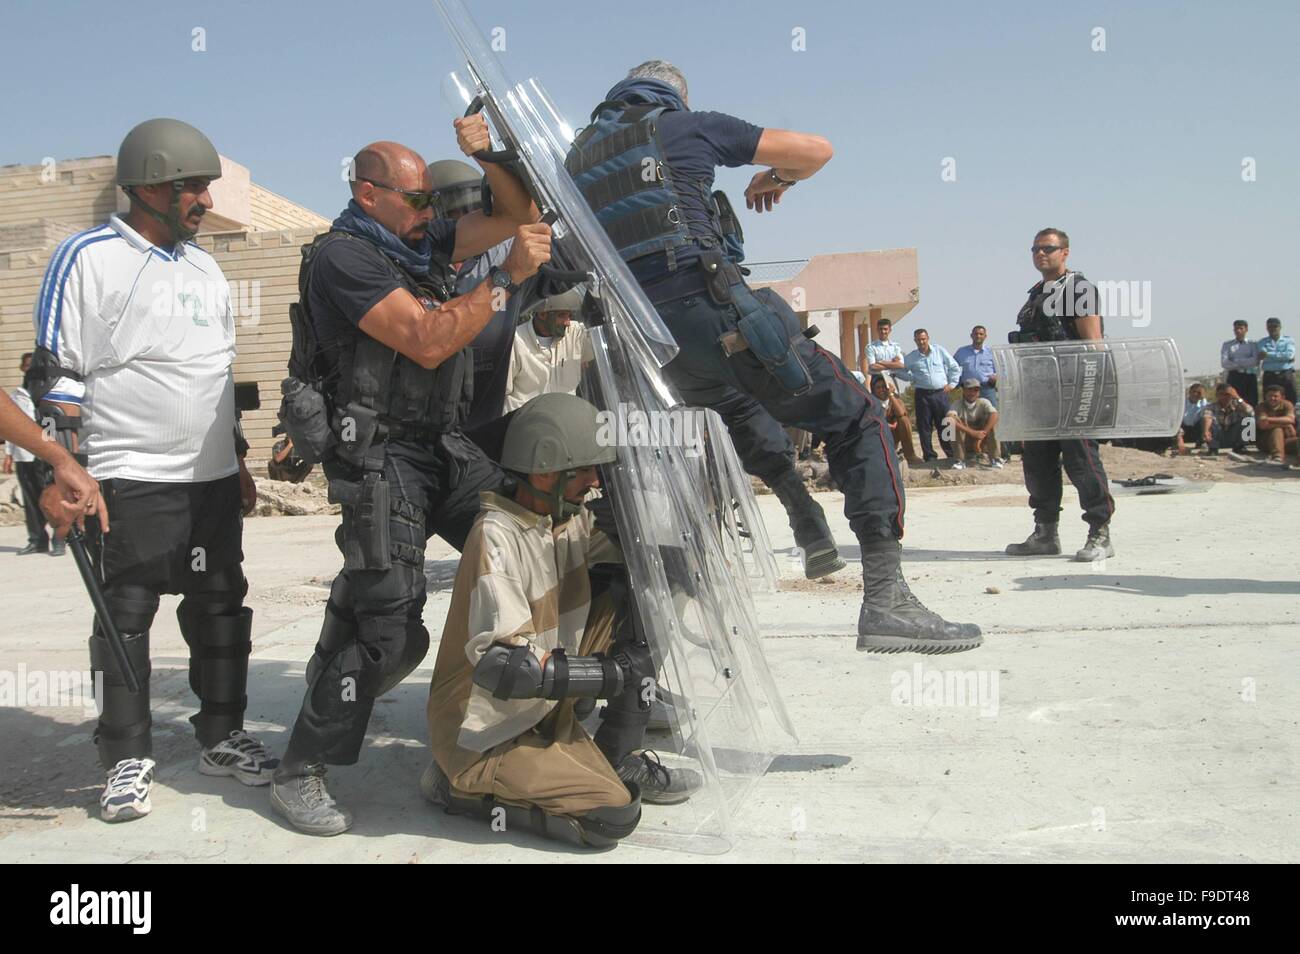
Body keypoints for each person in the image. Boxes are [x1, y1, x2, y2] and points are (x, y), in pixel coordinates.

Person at [567, 61, 980, 653]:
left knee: (736, 408)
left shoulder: (576, 159)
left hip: (647, 347)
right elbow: (817, 151)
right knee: (858, 417)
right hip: (713, 315)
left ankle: (799, 519)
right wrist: (778, 179)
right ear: (674, 97)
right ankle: (887, 600)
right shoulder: (684, 126)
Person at [269, 121, 552, 836]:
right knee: (394, 638)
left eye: (434, 198)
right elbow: (427, 341)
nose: (433, 210)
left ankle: (497, 734)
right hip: (380, 457)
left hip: (441, 448)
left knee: (534, 541)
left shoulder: (422, 241)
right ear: (368, 193)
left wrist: (487, 149)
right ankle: (299, 767)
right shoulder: (344, 256)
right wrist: (505, 279)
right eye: (417, 198)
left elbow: (517, 212)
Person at [27, 118, 270, 823]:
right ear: (149, 186)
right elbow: (57, 377)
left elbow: (216, 376)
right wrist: (61, 470)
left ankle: (221, 736)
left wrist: (238, 461)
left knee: (221, 604)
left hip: (211, 480)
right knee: (126, 614)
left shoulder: (204, 267)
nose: (205, 201)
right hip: (128, 473)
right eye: (193, 187)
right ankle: (125, 755)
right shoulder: (87, 258)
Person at [421, 394, 701, 847]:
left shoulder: (563, 521)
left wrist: (656, 542)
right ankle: (458, 784)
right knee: (613, 815)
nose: (595, 482)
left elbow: (644, 568)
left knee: (647, 591)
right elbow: (508, 668)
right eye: (585, 470)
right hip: (487, 728)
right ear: (544, 471)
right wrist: (611, 674)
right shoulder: (496, 536)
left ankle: (615, 752)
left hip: (543, 709)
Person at [1004, 227, 1115, 562]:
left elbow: (1093, 344)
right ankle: (1045, 534)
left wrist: (1091, 390)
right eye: (1035, 249)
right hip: (1040, 393)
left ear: (1065, 252)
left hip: (1074, 390)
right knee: (1038, 463)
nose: (1041, 253)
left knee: (1081, 461)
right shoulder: (1037, 293)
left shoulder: (1077, 288)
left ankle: (1100, 533)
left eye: (1048, 248)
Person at [0, 387, 106, 532]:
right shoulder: (23, 393)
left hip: (41, 453)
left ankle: (58, 538)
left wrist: (61, 461)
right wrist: (62, 461)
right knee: (36, 500)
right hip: (32, 454)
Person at [4, 352, 59, 555]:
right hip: (23, 455)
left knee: (53, 497)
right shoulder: (16, 396)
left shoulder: (47, 392)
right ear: (22, 368)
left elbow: (50, 423)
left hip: (43, 456)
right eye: (27, 366)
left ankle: (60, 539)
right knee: (30, 500)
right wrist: (9, 454)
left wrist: (51, 449)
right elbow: (11, 427)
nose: (30, 369)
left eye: (32, 366)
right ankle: (37, 540)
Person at [503, 288, 593, 411]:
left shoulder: (576, 333)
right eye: (562, 315)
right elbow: (502, 391)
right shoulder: (515, 341)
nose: (567, 322)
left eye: (569, 315)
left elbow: (589, 364)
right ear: (542, 314)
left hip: (565, 419)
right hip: (526, 420)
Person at [897, 328, 960, 462]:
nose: (921, 342)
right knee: (924, 426)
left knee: (946, 424)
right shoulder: (911, 357)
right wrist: (912, 378)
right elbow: (899, 371)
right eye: (918, 339)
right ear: (915, 340)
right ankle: (929, 456)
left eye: (923, 339)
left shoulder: (939, 351)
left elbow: (954, 367)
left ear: (928, 338)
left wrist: (952, 384)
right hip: (922, 395)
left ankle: (952, 453)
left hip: (941, 394)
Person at [944, 379, 1002, 470]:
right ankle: (959, 460)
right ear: (963, 390)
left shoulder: (984, 402)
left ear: (979, 392)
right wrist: (972, 433)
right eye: (969, 390)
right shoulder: (957, 404)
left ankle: (995, 458)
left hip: (982, 441)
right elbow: (949, 419)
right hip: (965, 441)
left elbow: (995, 415)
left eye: (975, 390)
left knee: (993, 422)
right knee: (952, 425)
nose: (972, 393)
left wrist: (982, 435)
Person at [870, 374, 920, 465]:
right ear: (873, 390)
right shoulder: (872, 403)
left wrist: (891, 395)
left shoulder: (895, 400)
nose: (881, 390)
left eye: (884, 387)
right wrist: (886, 425)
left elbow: (901, 414)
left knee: (904, 420)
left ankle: (910, 455)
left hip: (893, 435)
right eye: (878, 388)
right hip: (878, 435)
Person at [1202, 384, 1254, 458]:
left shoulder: (1238, 405)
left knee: (1250, 420)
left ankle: (1240, 447)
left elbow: (1251, 412)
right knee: (1206, 423)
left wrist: (1238, 397)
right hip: (1218, 436)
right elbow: (1207, 417)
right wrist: (1206, 431)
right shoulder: (1210, 407)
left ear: (1232, 395)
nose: (1224, 397)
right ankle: (1213, 448)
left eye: (1227, 394)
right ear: (1217, 395)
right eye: (1221, 394)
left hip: (1233, 436)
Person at [953, 326, 998, 405]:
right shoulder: (962, 351)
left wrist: (995, 377)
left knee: (990, 411)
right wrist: (957, 380)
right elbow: (952, 368)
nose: (978, 336)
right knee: (968, 411)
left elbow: (1002, 370)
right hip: (968, 389)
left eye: (981, 334)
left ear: (985, 336)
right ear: (971, 335)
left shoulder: (992, 352)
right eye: (976, 334)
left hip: (987, 389)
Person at [1220, 320, 1260, 407]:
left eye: (1241, 328)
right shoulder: (1227, 345)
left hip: (1249, 376)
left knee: (1251, 402)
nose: (1238, 331)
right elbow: (1225, 363)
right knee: (1233, 402)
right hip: (1234, 376)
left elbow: (1255, 361)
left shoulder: (1252, 344)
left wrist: (1235, 361)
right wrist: (1246, 361)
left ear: (1246, 329)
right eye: (1236, 329)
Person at [1258, 317, 1296, 404]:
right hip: (1270, 375)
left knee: (1290, 400)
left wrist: (1268, 354)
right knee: (1269, 401)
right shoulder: (1262, 342)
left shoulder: (1288, 340)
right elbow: (1262, 354)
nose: (1273, 329)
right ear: (1267, 328)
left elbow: (1289, 355)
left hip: (1286, 374)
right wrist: (1283, 357)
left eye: (1275, 326)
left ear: (1280, 327)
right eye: (1270, 327)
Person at [1255, 384, 1296, 465]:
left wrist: (1269, 419)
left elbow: (1291, 419)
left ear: (1282, 397)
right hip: (1266, 441)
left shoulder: (1287, 405)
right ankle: (1277, 457)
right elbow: (1263, 425)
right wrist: (1285, 424)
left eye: (1275, 396)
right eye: (1270, 396)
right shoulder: (1261, 407)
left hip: (1286, 441)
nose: (1272, 398)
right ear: (1265, 397)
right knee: (1277, 430)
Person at [1170, 383, 1209, 455]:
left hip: (1197, 430)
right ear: (1189, 392)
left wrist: (1203, 399)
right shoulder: (1181, 403)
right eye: (1193, 391)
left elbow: (1206, 417)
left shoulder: (1205, 404)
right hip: (1183, 430)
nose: (1195, 394)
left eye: (1199, 393)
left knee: (1206, 418)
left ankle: (1204, 442)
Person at [867, 316, 905, 385]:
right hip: (877, 379)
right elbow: (873, 366)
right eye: (881, 329)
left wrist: (881, 362)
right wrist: (892, 364)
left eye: (885, 329)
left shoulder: (895, 347)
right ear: (877, 330)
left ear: (890, 330)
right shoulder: (871, 347)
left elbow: (901, 365)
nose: (883, 331)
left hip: (892, 377)